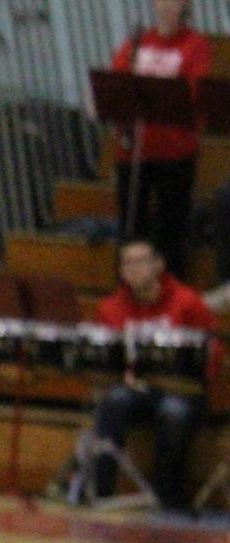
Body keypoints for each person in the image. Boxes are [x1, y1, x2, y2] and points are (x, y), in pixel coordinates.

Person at [89, 239, 213, 509]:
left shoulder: (188, 302)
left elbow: (211, 351)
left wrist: (196, 381)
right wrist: (120, 375)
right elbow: (107, 359)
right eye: (126, 263)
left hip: (182, 391)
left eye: (140, 261)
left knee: (174, 412)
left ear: (158, 264)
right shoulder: (110, 308)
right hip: (136, 390)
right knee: (114, 400)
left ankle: (166, 493)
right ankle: (102, 490)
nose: (132, 269)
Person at [111, 0, 208, 277]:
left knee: (170, 232)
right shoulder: (138, 42)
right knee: (131, 229)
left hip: (175, 153)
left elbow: (193, 95)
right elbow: (116, 83)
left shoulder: (194, 44)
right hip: (134, 151)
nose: (167, 5)